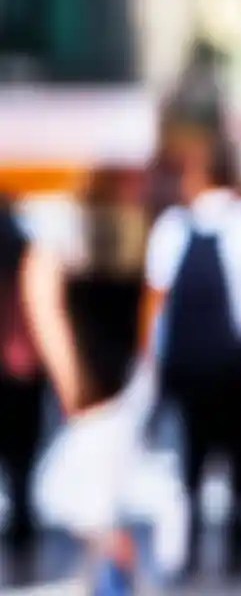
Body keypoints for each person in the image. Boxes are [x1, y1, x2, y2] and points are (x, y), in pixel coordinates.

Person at [139, 131, 241, 578]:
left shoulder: (172, 227)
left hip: (187, 366)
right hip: (237, 363)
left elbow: (157, 302)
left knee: (189, 457)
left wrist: (152, 360)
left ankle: (188, 550)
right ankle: (239, 547)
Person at [0, 198, 83, 563]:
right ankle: (22, 514)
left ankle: (20, 516)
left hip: (17, 358)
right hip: (23, 363)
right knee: (23, 450)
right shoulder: (27, 252)